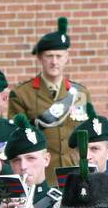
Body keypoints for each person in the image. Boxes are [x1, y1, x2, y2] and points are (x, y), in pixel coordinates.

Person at [9, 18, 91, 180]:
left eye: (59, 56)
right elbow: (16, 138)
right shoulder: (22, 94)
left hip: (73, 171)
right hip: (41, 175)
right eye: (49, 56)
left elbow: (84, 132)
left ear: (67, 57)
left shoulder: (79, 93)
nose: (54, 62)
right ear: (40, 58)